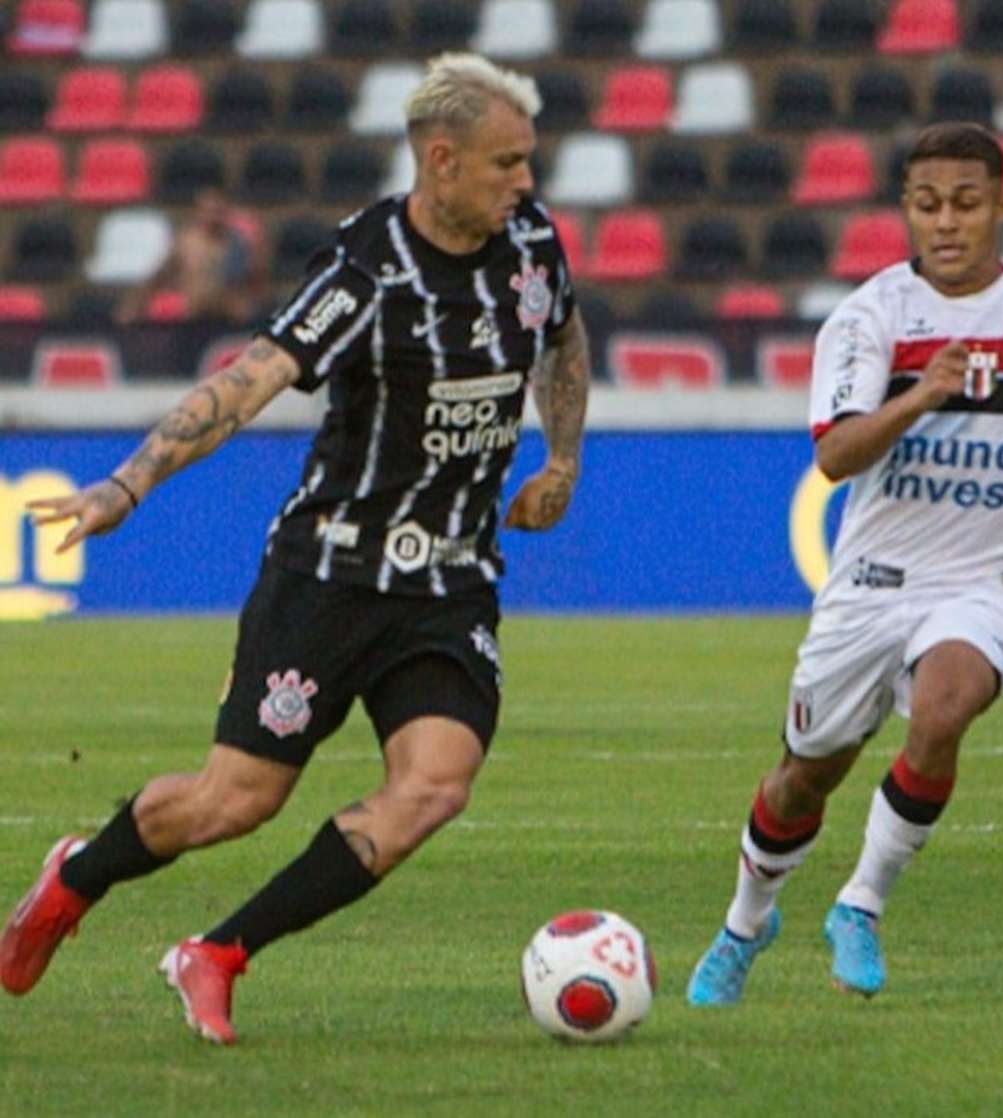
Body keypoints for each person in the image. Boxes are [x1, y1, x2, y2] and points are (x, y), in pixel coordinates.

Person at [0, 52, 589, 1046]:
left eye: (526, 162)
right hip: (330, 573)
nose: (524, 183)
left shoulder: (530, 243)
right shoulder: (365, 272)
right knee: (236, 801)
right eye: (504, 164)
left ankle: (218, 952)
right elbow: (251, 379)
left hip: (448, 578)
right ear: (440, 162)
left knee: (435, 783)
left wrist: (563, 456)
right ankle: (75, 875)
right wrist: (129, 481)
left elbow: (563, 338)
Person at [685, 122, 1003, 1008]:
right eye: (928, 205)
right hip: (871, 587)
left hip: (983, 586)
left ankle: (861, 903)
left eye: (967, 202)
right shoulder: (871, 317)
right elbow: (838, 455)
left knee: (946, 706)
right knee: (806, 772)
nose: (948, 222)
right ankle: (747, 921)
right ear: (906, 214)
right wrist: (923, 392)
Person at [114, 187, 267, 325]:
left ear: (226, 214)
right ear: (198, 213)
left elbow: (256, 284)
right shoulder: (185, 243)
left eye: (217, 212)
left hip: (229, 319)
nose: (212, 217)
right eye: (207, 211)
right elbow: (158, 276)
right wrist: (133, 305)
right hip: (192, 320)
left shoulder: (238, 244)